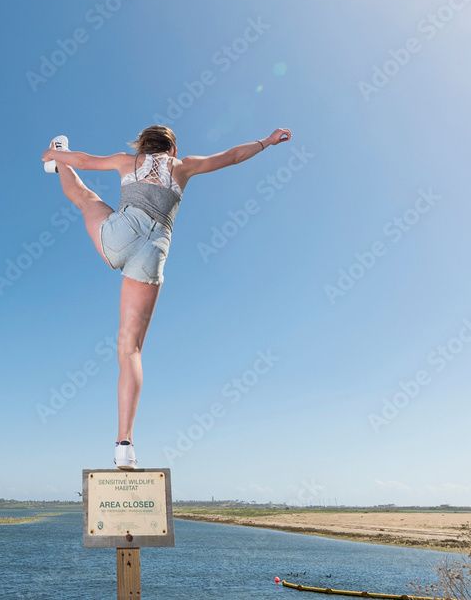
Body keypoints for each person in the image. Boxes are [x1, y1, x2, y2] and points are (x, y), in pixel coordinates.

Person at [41, 125, 292, 469]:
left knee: (85, 199)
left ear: (142, 145)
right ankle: (124, 445)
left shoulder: (126, 161)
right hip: (153, 252)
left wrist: (55, 154)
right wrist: (267, 141)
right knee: (130, 348)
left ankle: (55, 159)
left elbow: (84, 160)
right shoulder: (184, 166)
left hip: (120, 235)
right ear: (173, 150)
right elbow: (232, 156)